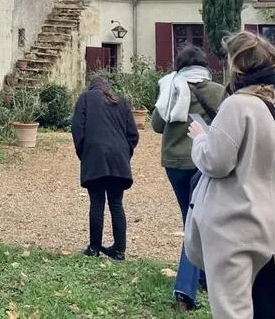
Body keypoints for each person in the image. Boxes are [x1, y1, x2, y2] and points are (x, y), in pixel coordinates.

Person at [184, 31, 275, 319]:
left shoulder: (236, 106)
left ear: (236, 66)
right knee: (269, 305)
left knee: (233, 309)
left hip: (236, 224)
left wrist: (201, 138)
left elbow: (216, 162)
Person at [151, 44, 225, 312]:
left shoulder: (171, 88)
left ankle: (198, 277)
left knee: (192, 217)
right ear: (205, 66)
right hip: (203, 162)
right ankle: (186, 289)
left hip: (174, 163)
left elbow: (158, 126)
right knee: (198, 220)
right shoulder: (218, 92)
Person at [71, 74, 139, 260]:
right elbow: (133, 134)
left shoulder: (85, 98)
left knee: (97, 204)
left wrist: (84, 153)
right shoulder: (121, 102)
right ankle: (119, 251)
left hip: (95, 157)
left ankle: (94, 248)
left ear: (92, 87)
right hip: (119, 159)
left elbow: (77, 129)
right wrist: (125, 153)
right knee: (116, 204)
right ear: (107, 87)